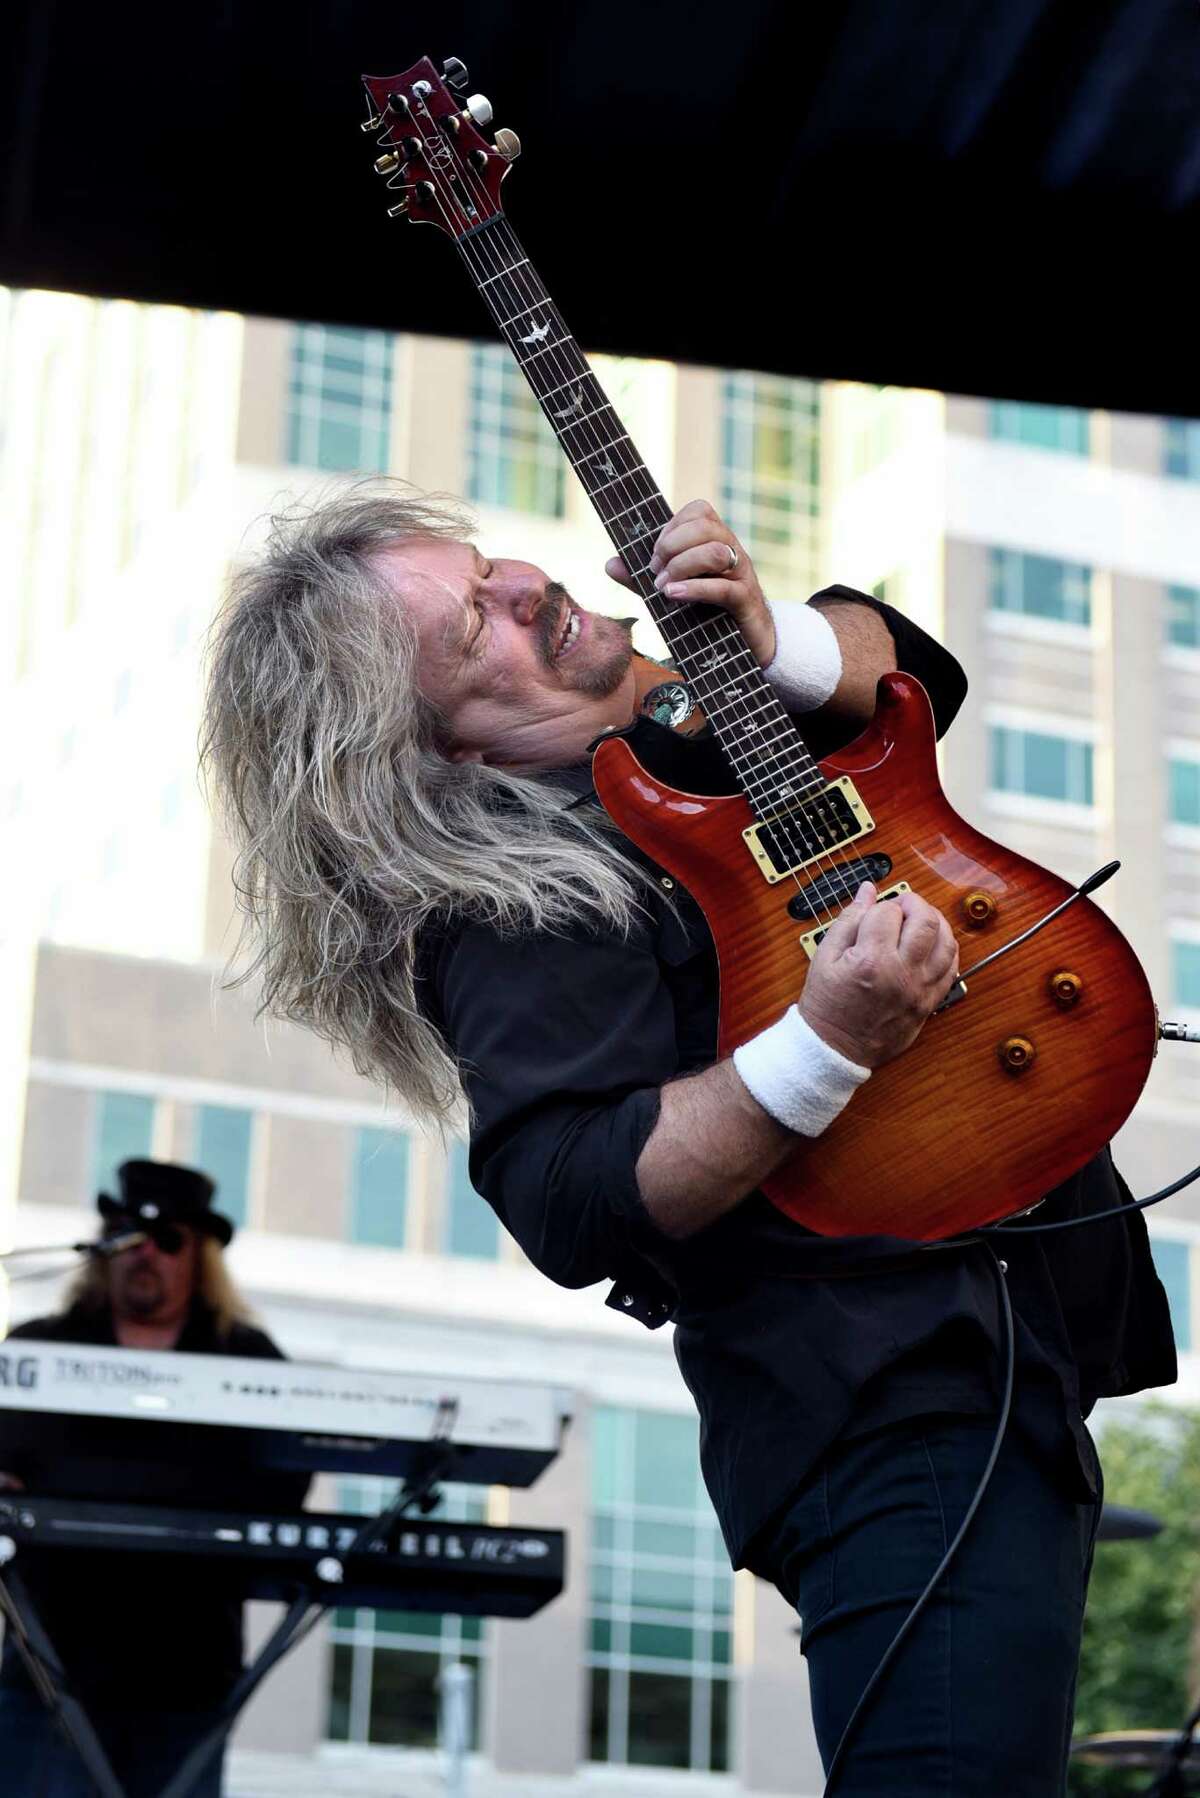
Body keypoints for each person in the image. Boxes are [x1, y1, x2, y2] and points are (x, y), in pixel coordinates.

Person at [201, 484, 1176, 1794]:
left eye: (490, 566)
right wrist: (824, 1038)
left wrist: (776, 635)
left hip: (1017, 1336)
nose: (526, 586)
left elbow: (901, 675)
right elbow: (566, 1191)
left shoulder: (675, 715)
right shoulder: (511, 897)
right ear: (435, 740)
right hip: (886, 1401)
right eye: (468, 625)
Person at [0, 1159, 307, 1798]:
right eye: (128, 1237)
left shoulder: (248, 1360)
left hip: (185, 1680)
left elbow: (282, 1488)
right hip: (49, 1672)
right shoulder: (39, 1347)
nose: (146, 1256)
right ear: (104, 1250)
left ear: (200, 1260)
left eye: (169, 1240)